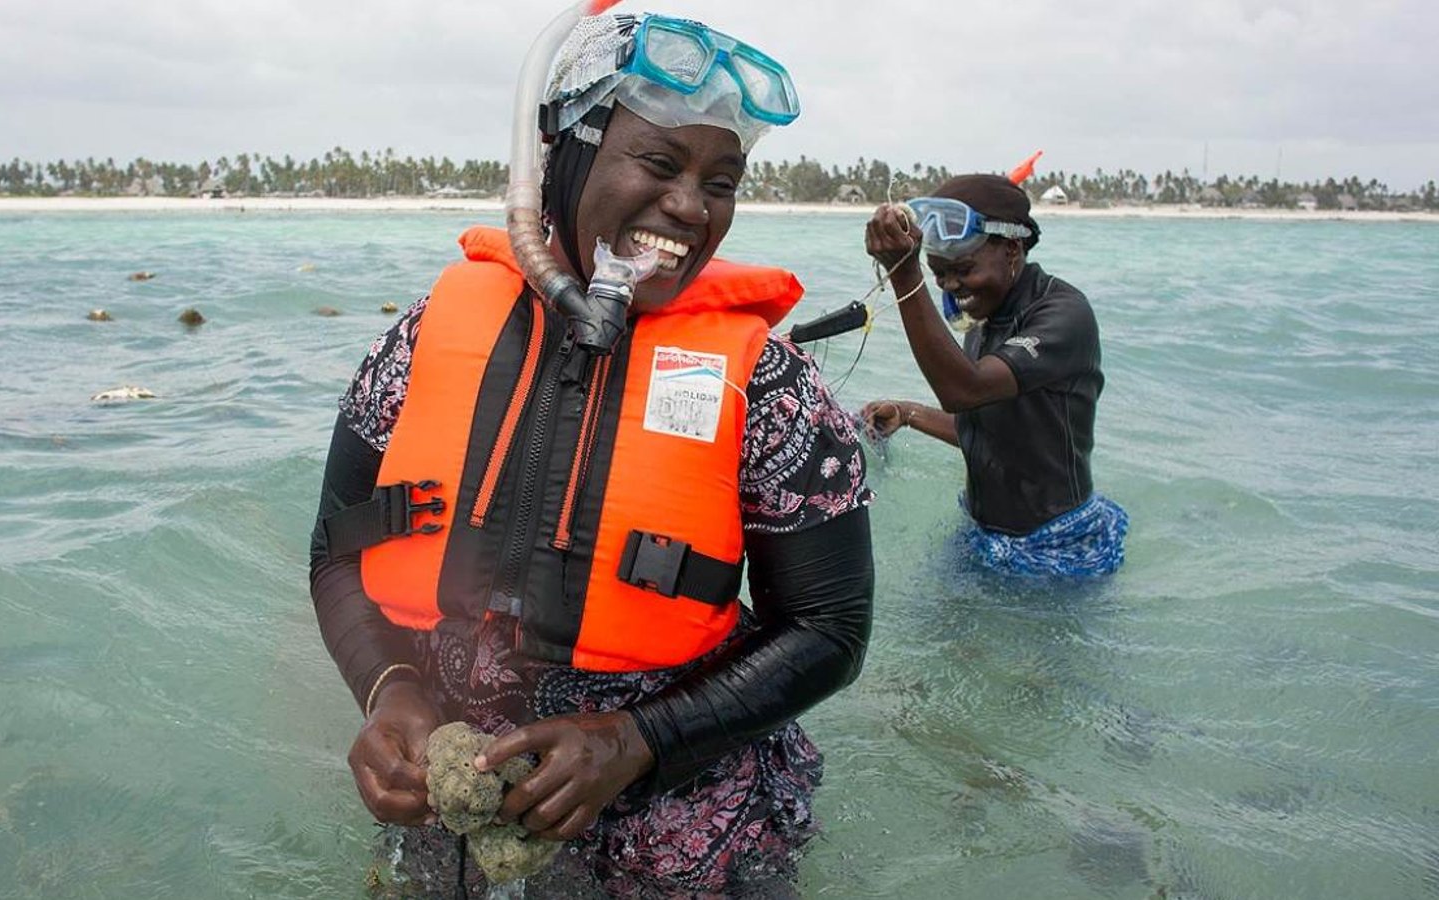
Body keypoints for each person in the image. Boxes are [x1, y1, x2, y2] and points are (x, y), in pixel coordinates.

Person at [308, 12, 873, 896]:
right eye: (658, 164)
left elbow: (832, 629)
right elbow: (334, 554)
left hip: (682, 813)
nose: (691, 206)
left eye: (720, 181)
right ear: (560, 159)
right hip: (458, 794)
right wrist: (388, 691)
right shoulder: (428, 339)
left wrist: (639, 741)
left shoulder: (768, 386)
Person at [861, 174, 1128, 576]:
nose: (951, 286)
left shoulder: (1063, 314)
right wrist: (909, 413)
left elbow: (965, 389)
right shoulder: (988, 317)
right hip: (981, 532)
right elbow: (990, 427)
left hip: (1057, 542)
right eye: (938, 273)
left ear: (1011, 249)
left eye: (964, 269)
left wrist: (904, 274)